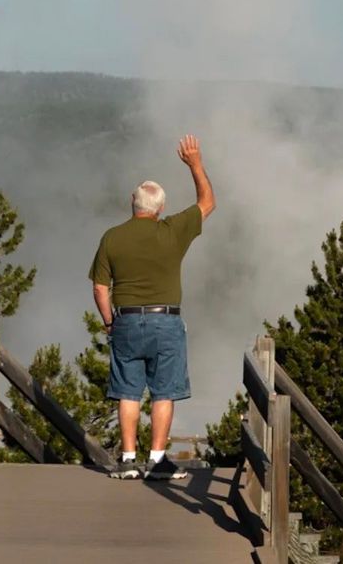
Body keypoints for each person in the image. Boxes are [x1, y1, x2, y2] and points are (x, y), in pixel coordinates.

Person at [89, 134, 215, 480]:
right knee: (163, 392)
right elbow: (207, 202)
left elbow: (100, 287)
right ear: (160, 208)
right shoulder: (172, 231)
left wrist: (109, 322)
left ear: (133, 204)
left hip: (126, 322)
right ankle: (157, 460)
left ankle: (128, 460)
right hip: (165, 322)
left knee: (128, 392)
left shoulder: (112, 237)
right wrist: (195, 164)